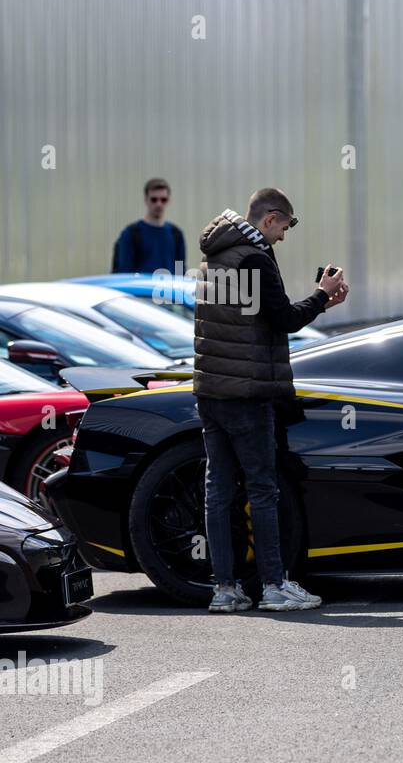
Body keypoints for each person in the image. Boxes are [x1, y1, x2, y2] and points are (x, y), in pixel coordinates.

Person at [193, 189, 349, 612]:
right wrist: (323, 295)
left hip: (210, 390)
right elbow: (285, 318)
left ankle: (224, 589)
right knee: (262, 489)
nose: (283, 237)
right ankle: (274, 586)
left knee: (219, 491)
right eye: (286, 227)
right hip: (248, 392)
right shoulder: (255, 258)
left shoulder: (215, 257)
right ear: (270, 218)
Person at [112, 178, 186, 275]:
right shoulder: (131, 234)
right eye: (154, 199)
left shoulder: (176, 234)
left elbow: (180, 273)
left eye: (163, 200)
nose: (159, 204)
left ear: (168, 201)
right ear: (146, 200)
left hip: (169, 289)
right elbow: (123, 273)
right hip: (140, 290)